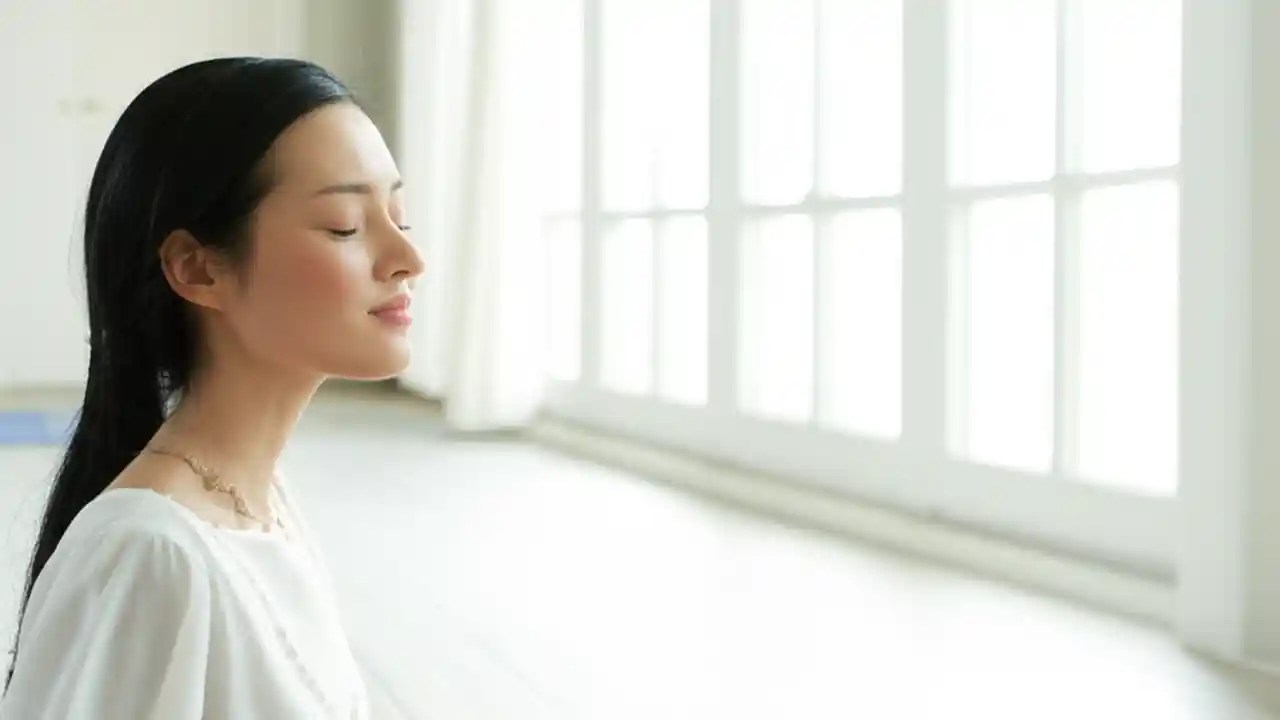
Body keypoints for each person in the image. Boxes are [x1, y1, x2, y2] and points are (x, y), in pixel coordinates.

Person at [0, 56, 425, 718]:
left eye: (400, 215)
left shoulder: (262, 504)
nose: (407, 259)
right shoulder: (150, 553)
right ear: (197, 269)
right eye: (345, 224)